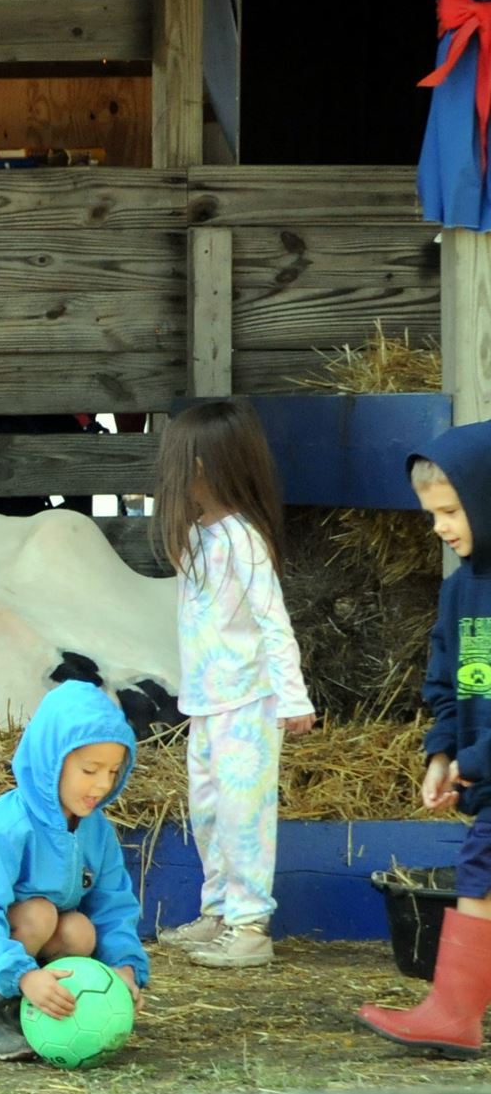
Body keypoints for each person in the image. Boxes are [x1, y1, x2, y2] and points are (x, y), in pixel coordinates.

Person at [149, 400, 314, 968]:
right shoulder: (198, 535)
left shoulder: (243, 539)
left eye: (180, 464)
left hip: (248, 700)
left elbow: (273, 620)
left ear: (205, 467)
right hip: (207, 702)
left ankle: (250, 926)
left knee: (245, 814)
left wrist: (291, 695)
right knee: (209, 810)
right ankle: (218, 910)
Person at [0, 680, 150, 1061]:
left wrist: (123, 968)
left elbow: (113, 906)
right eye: (89, 770)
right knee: (40, 914)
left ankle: (36, 1015)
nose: (102, 785)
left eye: (113, 771)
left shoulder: (96, 829)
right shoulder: (7, 825)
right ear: (52, 762)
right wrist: (23, 975)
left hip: (17, 935)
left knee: (78, 929)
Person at [356, 420, 491, 1057]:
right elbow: (446, 677)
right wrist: (442, 751)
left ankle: (453, 1014)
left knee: (480, 871)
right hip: (482, 768)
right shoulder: (461, 588)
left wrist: (477, 758)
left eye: (450, 510)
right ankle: (454, 1012)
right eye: (432, 512)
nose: (438, 525)